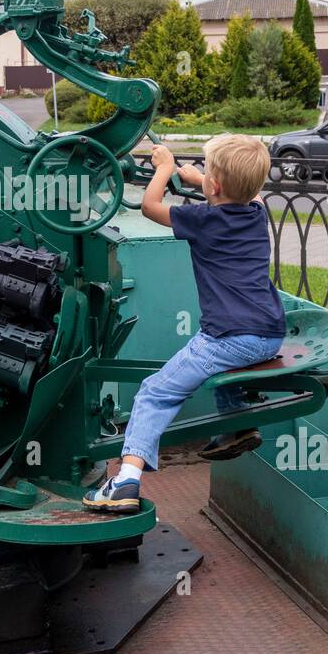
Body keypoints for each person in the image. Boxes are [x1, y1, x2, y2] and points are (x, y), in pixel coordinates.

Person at [83, 134, 285, 514]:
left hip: (228, 336)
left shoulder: (202, 220)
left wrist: (162, 168)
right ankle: (237, 423)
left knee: (153, 393)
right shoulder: (258, 213)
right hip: (269, 334)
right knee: (222, 359)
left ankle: (125, 480)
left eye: (208, 172)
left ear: (216, 185)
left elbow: (150, 207)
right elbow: (248, 193)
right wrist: (197, 179)